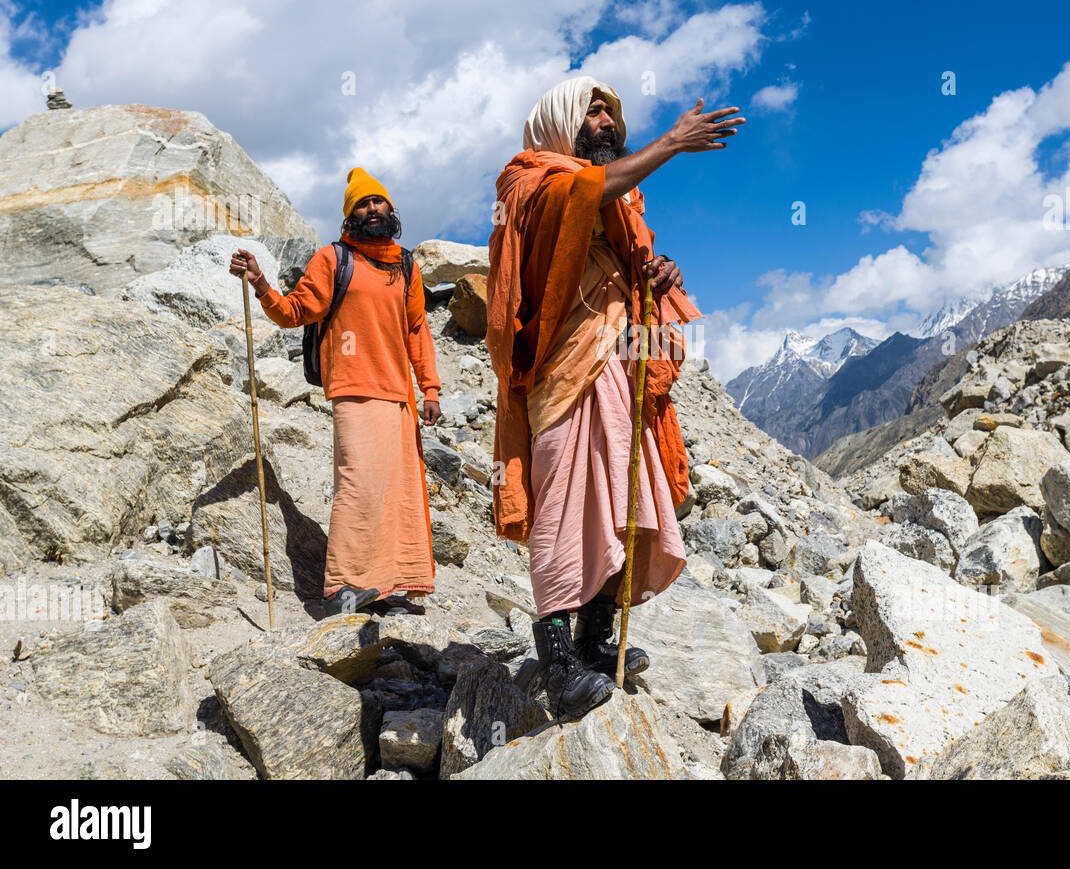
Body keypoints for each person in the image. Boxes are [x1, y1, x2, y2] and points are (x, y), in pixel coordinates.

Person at [487, 76, 744, 716]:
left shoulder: (622, 206)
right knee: (565, 512)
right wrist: (673, 142)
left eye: (611, 113)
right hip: (561, 376)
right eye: (592, 110)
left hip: (617, 371)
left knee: (619, 504)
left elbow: (628, 267)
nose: (606, 121)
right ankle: (557, 670)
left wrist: (657, 274)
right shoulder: (529, 181)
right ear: (559, 121)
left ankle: (596, 646)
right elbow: (579, 194)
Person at [229, 167, 442, 616]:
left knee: (396, 490)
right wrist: (261, 283)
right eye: (362, 204)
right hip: (353, 386)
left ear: (390, 209)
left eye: (377, 202)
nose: (372, 209)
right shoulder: (333, 259)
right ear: (350, 215)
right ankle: (341, 587)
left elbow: (417, 329)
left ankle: (386, 586)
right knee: (359, 485)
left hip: (399, 393)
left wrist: (430, 389)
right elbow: (295, 311)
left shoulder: (405, 265)